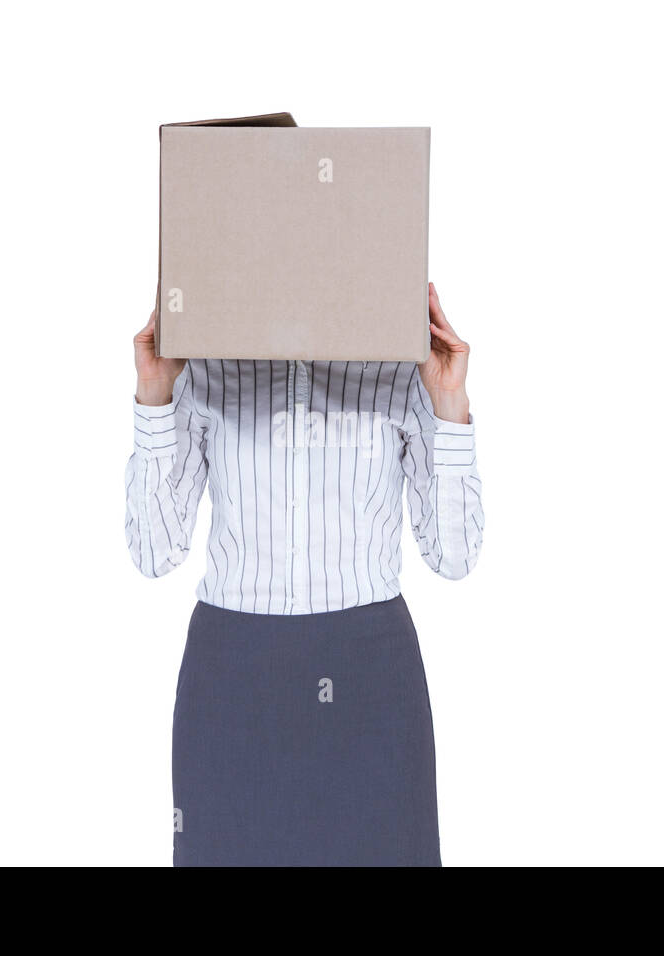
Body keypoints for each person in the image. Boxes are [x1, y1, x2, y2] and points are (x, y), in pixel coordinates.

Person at [126, 282, 484, 866]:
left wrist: (448, 400)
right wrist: (156, 392)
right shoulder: (207, 362)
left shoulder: (397, 365)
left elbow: (454, 554)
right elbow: (153, 549)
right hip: (233, 675)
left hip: (368, 670)